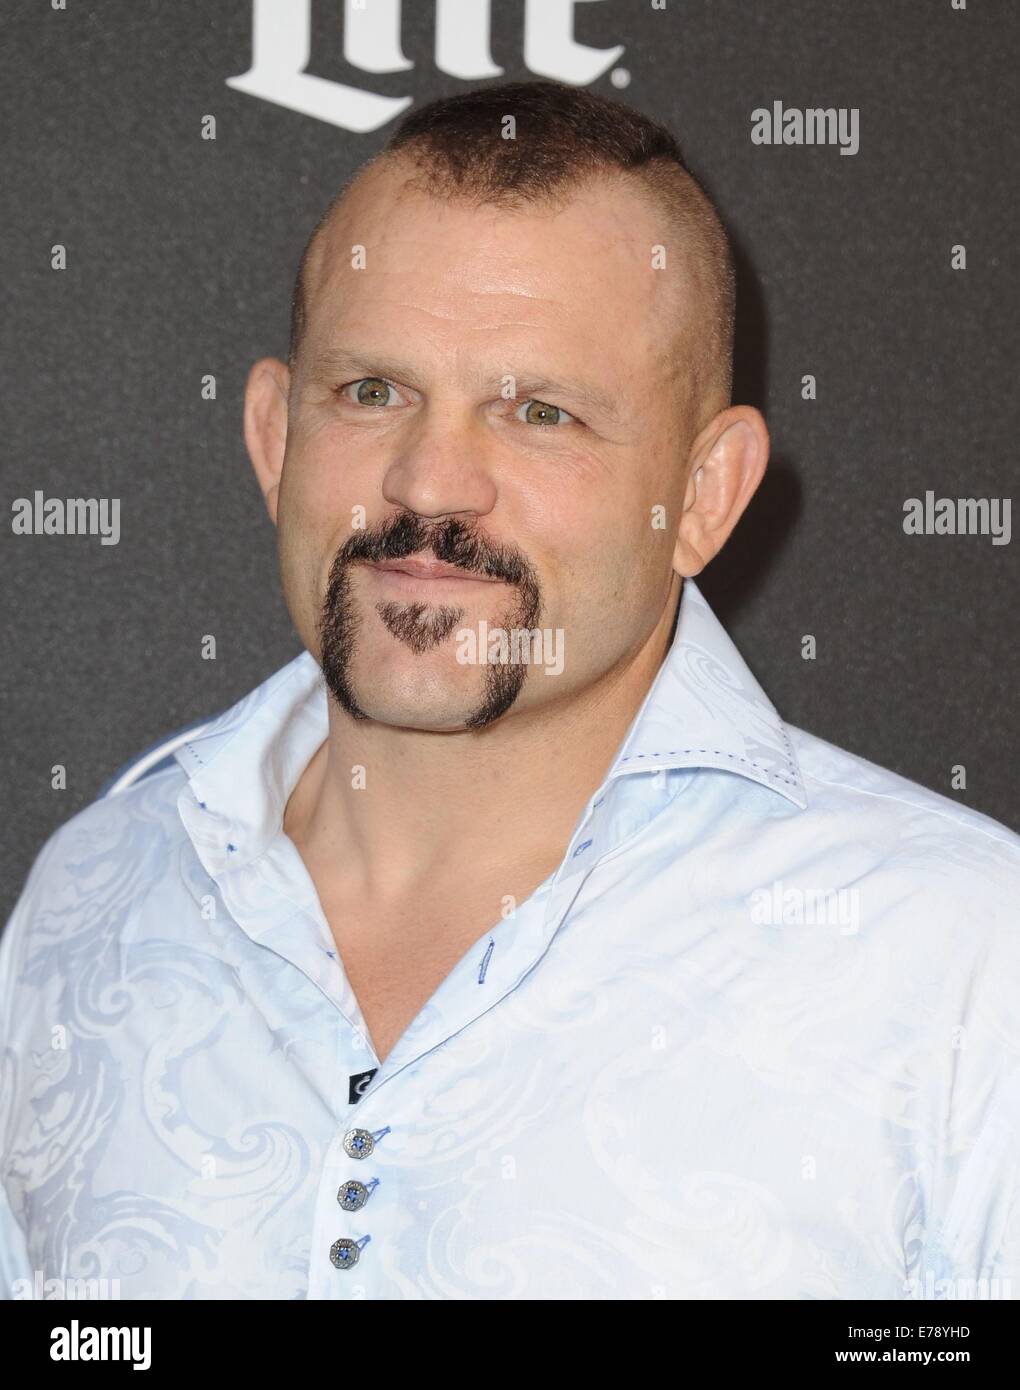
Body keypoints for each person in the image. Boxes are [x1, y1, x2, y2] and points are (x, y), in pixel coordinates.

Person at [2, 80, 1018, 1301]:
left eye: (541, 413)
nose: (431, 482)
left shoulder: (960, 963)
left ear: (704, 494)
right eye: (372, 391)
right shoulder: (93, 896)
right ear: (275, 438)